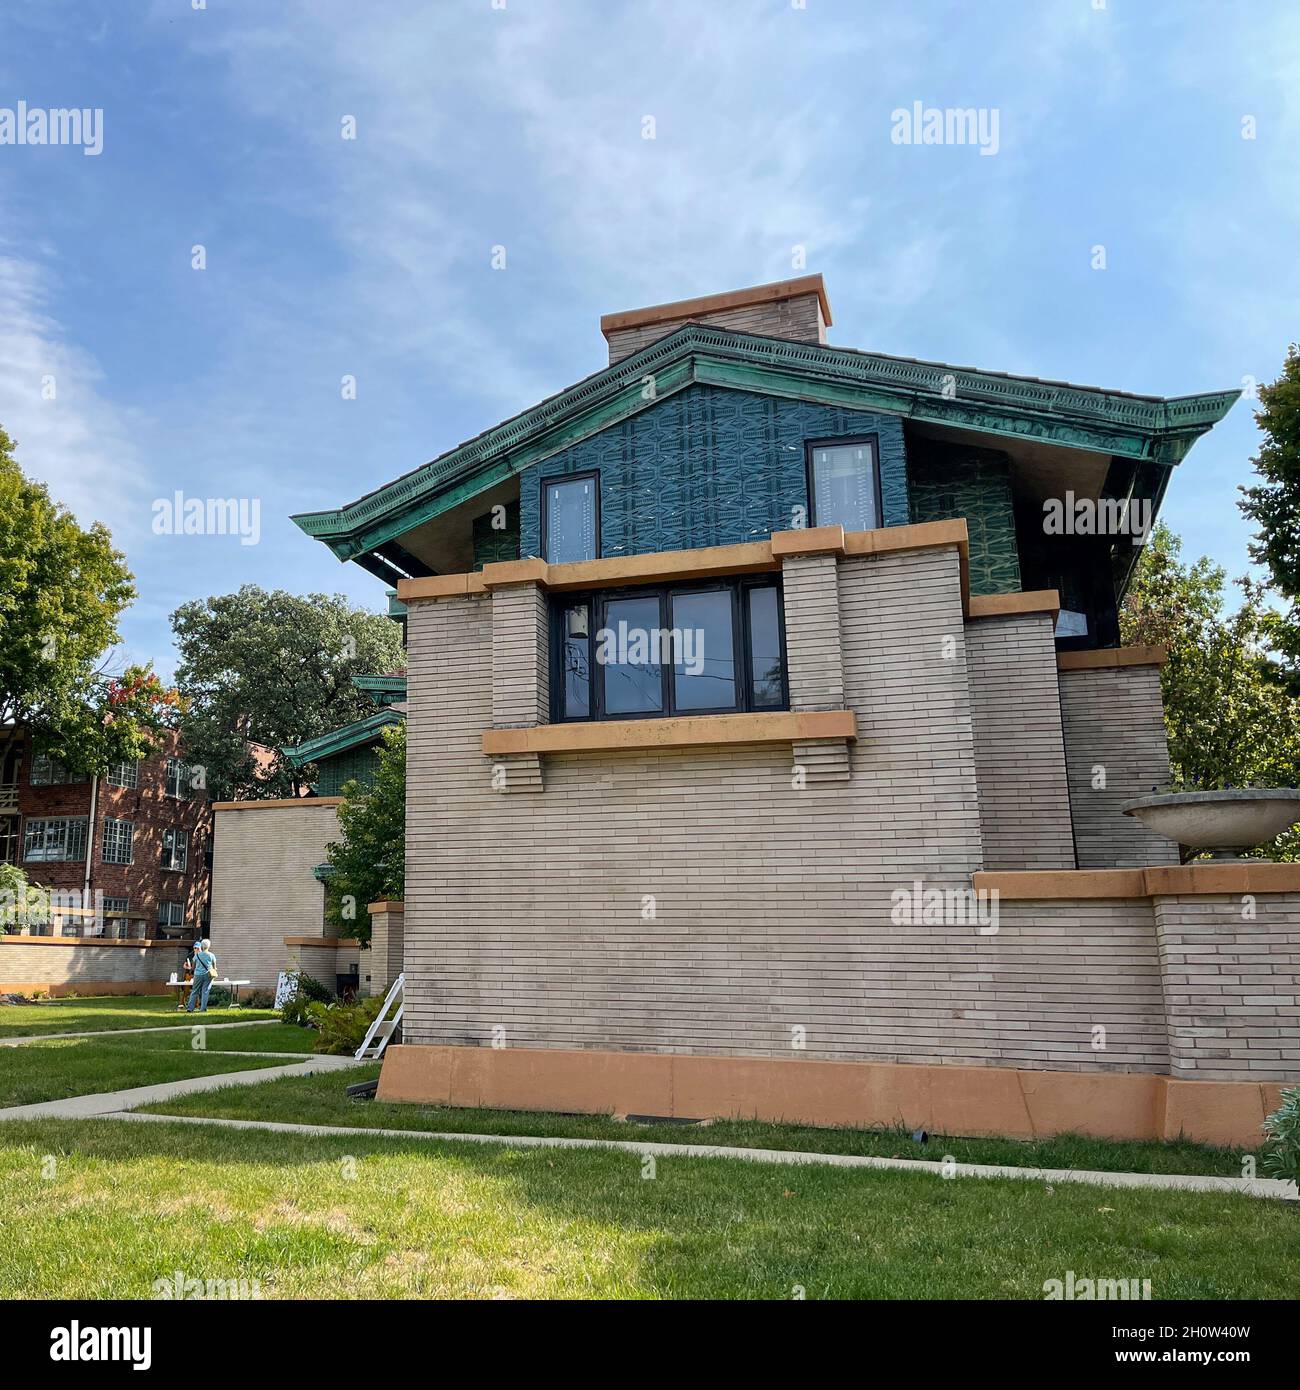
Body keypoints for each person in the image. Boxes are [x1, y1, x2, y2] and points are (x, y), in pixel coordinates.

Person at [185, 938, 217, 1013]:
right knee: (205, 991)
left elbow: (193, 967)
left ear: (202, 946)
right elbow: (214, 967)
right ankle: (202, 1009)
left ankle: (190, 1008)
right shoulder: (212, 955)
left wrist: (190, 969)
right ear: (209, 946)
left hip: (198, 975)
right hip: (208, 975)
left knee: (194, 991)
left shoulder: (197, 955)